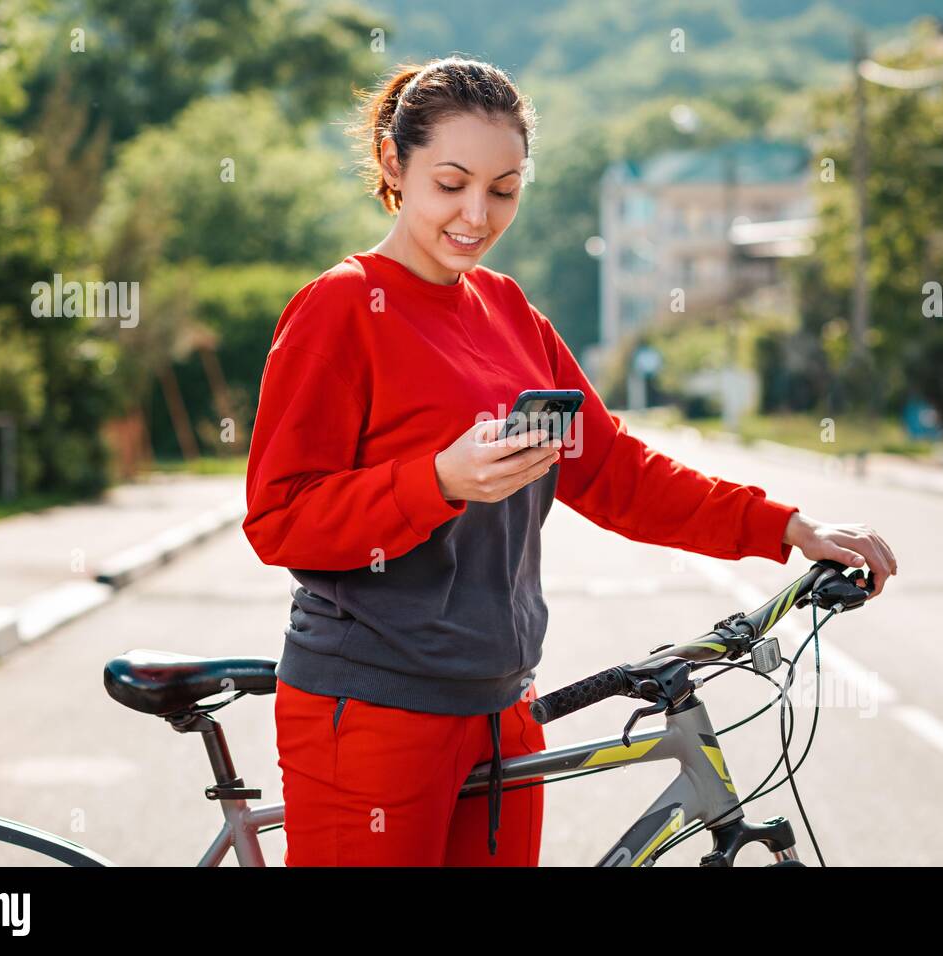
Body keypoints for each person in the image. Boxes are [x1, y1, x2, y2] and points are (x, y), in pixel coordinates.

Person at [242, 56, 898, 867]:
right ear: (393, 163)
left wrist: (787, 526)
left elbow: (616, 472)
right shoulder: (340, 308)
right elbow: (280, 520)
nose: (476, 215)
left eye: (504, 189)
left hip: (503, 706)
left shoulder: (510, 312)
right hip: (371, 708)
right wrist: (438, 482)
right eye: (451, 184)